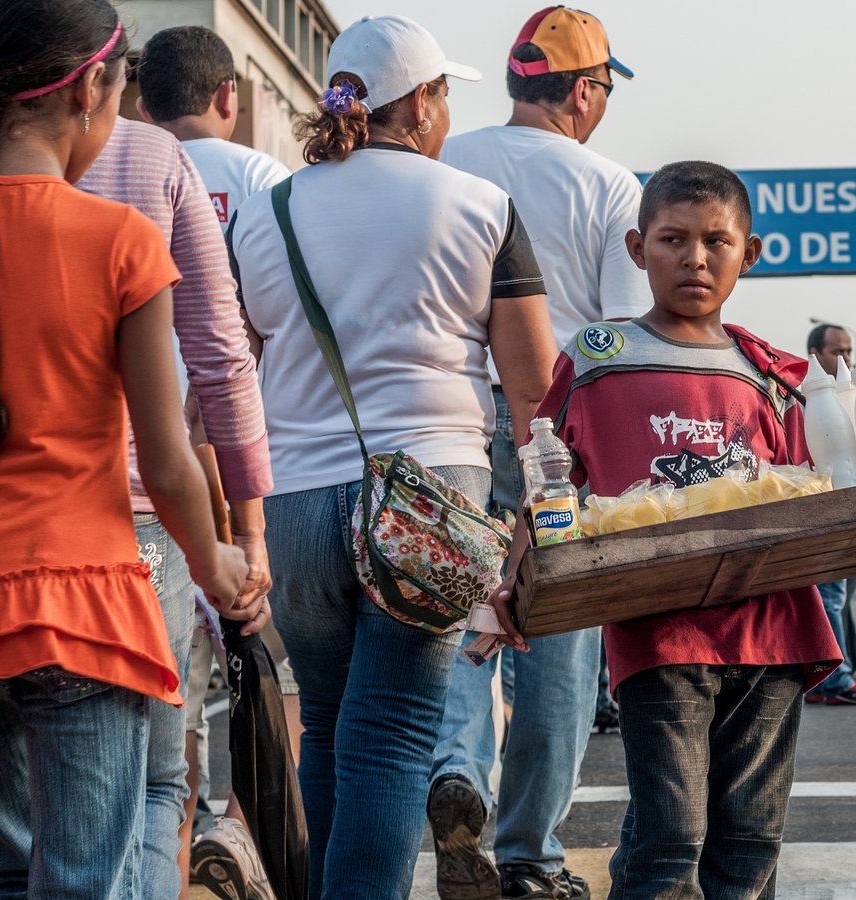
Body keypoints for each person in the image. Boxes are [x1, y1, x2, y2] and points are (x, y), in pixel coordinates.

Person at [0, 26, 275, 900]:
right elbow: (167, 455)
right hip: (82, 605)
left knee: (1, 868)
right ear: (89, 92)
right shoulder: (120, 239)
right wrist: (216, 560)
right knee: (86, 878)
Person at [228, 15, 557, 898]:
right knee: (393, 733)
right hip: (432, 497)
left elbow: (231, 375)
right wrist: (538, 523)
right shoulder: (480, 206)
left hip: (297, 502)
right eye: (444, 94)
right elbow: (532, 392)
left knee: (331, 724)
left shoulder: (264, 214)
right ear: (420, 103)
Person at [490, 160, 842, 899]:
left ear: (750, 253)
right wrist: (513, 584)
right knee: (670, 837)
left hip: (774, 630)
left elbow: (822, 494)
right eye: (673, 240)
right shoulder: (597, 359)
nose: (695, 259)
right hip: (659, 631)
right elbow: (549, 480)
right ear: (636, 248)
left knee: (751, 838)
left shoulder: (775, 375)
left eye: (717, 241)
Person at [422, 8, 647, 898]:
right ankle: (528, 857)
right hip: (558, 433)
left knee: (458, 612)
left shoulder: (446, 160)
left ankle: (458, 774)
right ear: (584, 92)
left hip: (451, 423)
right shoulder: (609, 185)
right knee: (558, 638)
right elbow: (620, 337)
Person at [134, 24, 295, 899]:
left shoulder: (114, 168)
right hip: (247, 455)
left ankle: (180, 836)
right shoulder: (266, 181)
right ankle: (239, 824)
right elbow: (256, 340)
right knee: (263, 659)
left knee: (167, 686)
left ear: (139, 100)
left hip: (145, 455)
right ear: (229, 96)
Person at [803, 321, 856, 702]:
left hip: (854, 509)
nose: (847, 357)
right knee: (832, 597)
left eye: (849, 350)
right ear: (815, 354)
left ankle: (833, 673)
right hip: (826, 510)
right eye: (839, 351)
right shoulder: (806, 396)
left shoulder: (852, 394)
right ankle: (834, 681)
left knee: (841, 597)